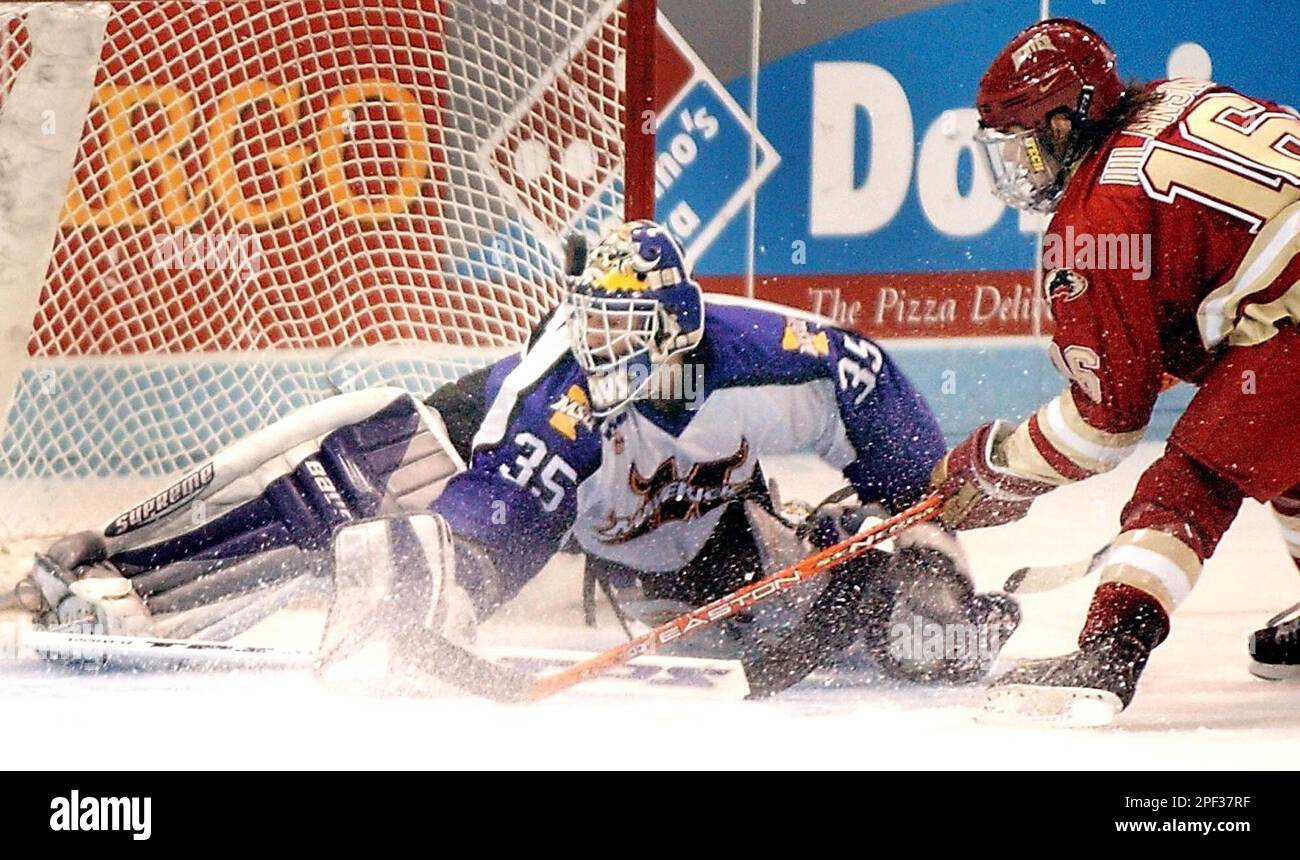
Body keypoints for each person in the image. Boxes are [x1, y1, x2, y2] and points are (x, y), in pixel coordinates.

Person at [19, 220, 1017, 697]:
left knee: (893, 622)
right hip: (532, 475)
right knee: (353, 483)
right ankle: (129, 574)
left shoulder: (770, 360)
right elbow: (502, 510)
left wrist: (923, 541)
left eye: (625, 327)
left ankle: (838, 564)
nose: (602, 347)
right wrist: (443, 575)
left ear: (673, 327)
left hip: (697, 528)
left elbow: (875, 397)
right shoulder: (561, 398)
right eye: (592, 323)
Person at [931, 17, 1300, 722]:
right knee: (1278, 438)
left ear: (1073, 120)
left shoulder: (1096, 220)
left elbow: (1105, 429)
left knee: (1193, 477)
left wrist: (995, 464)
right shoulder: (1175, 98)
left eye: (1030, 146)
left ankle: (1111, 648)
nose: (1024, 169)